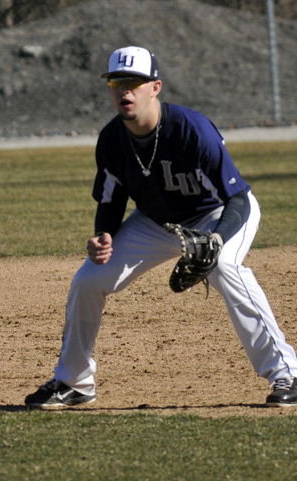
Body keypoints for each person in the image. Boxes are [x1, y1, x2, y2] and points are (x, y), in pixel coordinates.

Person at [25, 45, 297, 409]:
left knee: (224, 267)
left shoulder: (192, 130)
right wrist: (103, 236)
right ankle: (73, 382)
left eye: (134, 82)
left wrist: (217, 238)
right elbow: (111, 201)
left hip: (216, 214)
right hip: (155, 223)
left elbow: (239, 198)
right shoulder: (111, 139)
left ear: (155, 87)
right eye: (117, 82)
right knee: (89, 279)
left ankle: (286, 373)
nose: (125, 90)